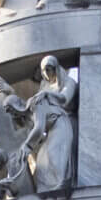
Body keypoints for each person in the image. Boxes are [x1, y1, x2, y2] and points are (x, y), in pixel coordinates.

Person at [23, 55, 77, 191]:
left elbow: (64, 98)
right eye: (44, 70)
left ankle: (61, 184)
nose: (48, 73)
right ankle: (46, 188)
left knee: (55, 154)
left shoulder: (68, 82)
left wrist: (47, 95)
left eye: (50, 69)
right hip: (50, 128)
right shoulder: (44, 86)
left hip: (65, 122)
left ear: (56, 68)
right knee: (42, 158)